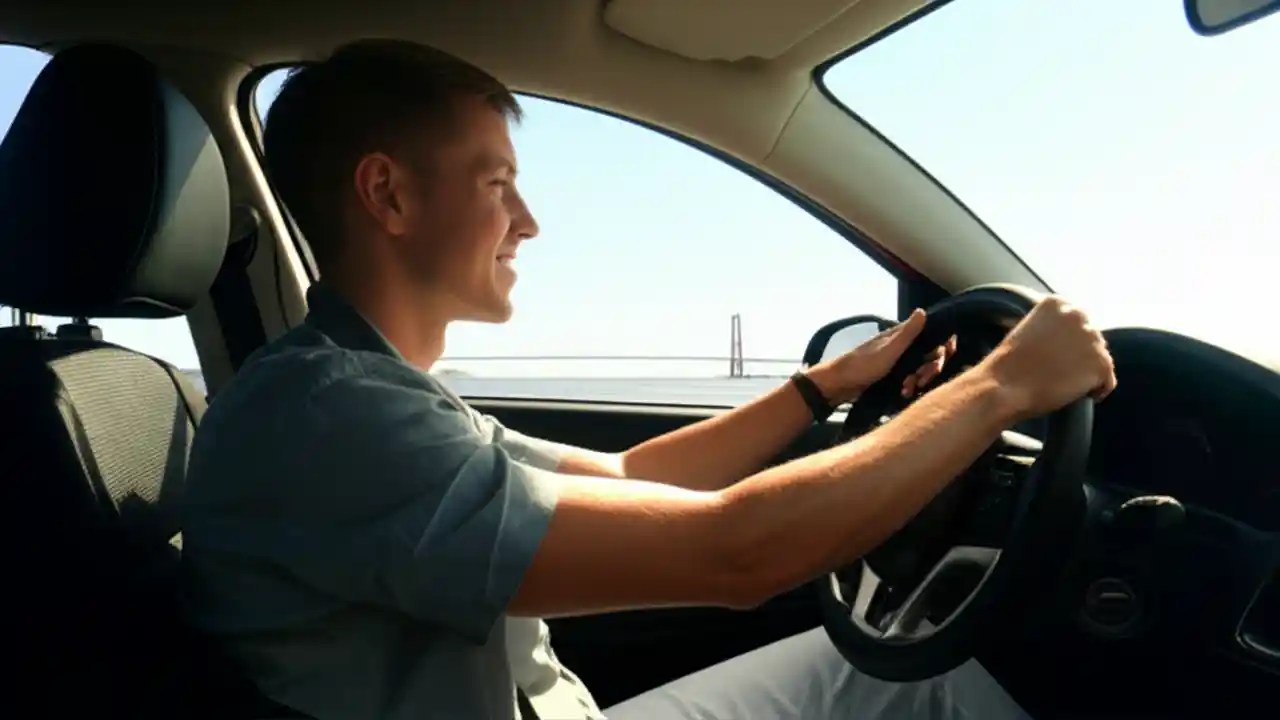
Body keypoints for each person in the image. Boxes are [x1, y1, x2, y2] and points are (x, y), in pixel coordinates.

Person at [179, 40, 1116, 720]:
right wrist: (997, 390)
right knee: (937, 687)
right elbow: (734, 556)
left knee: (898, 676)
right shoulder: (330, 417)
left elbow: (638, 479)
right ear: (387, 194)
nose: (530, 221)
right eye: (497, 182)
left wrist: (824, 388)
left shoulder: (368, 395)